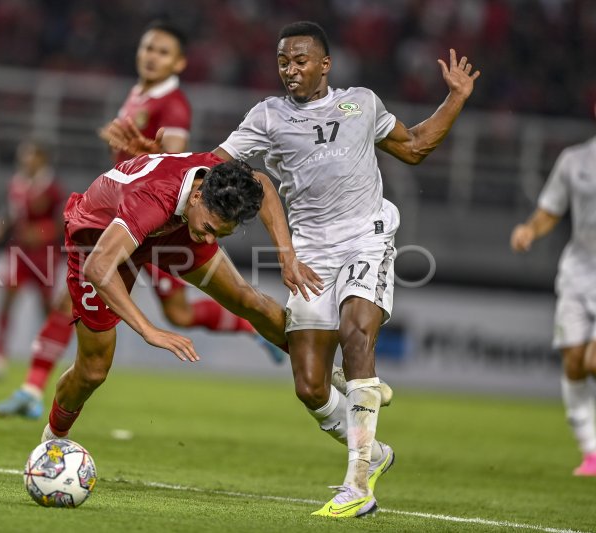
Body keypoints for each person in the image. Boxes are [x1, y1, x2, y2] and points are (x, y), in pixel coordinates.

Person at [103, 21, 479, 518]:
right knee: (310, 385)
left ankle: (358, 484)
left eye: (300, 60)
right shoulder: (267, 116)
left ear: (325, 64)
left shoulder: (362, 103)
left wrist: (455, 98)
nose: (290, 70)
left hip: (366, 235)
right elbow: (210, 166)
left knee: (357, 335)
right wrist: (155, 159)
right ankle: (375, 451)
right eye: (283, 61)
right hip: (309, 252)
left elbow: (414, 148)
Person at [0, 20, 285, 419]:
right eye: (147, 48)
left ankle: (33, 388)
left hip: (161, 223)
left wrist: (150, 158)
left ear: (179, 62)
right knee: (91, 311)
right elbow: (157, 170)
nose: (151, 56)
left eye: (162, 52)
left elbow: (175, 164)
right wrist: (140, 157)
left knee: (173, 313)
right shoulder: (137, 95)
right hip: (133, 220)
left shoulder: (172, 104)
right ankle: (32, 388)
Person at [39, 154, 305, 443]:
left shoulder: (218, 178)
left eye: (220, 234)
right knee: (92, 372)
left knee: (247, 299)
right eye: (210, 230)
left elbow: (262, 182)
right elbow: (98, 267)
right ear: (196, 196)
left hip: (171, 228)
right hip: (97, 240)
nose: (210, 241)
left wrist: (286, 255)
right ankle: (52, 439)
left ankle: (324, 370)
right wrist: (148, 330)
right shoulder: (153, 198)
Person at [510, 105, 596, 477]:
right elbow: (551, 208)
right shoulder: (575, 160)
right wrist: (530, 229)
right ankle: (591, 450)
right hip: (578, 272)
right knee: (575, 360)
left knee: (593, 360)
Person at [0, 140, 65, 378]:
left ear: (42, 159)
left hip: (45, 255)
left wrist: (41, 232)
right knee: (7, 298)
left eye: (30, 156)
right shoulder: (17, 184)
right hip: (20, 253)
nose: (25, 161)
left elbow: (64, 220)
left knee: (46, 308)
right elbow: (11, 214)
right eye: (23, 156)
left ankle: (48, 354)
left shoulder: (52, 188)